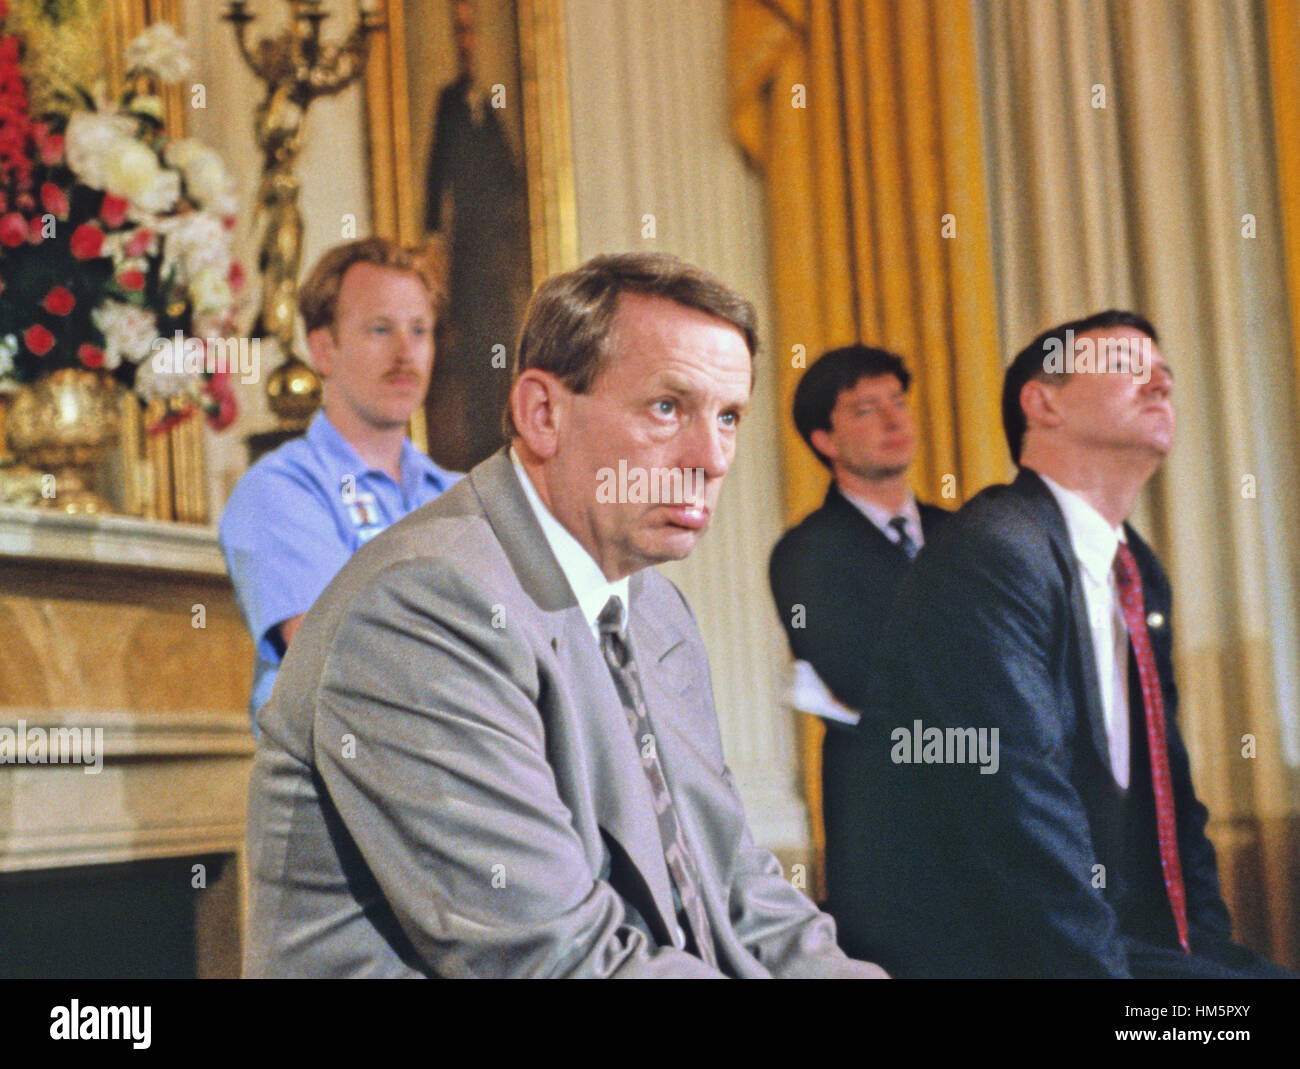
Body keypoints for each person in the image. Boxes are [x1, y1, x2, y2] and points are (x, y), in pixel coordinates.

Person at [243, 252, 888, 978]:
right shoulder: (424, 603)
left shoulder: (657, 608)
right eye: (667, 407)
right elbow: (555, 956)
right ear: (543, 414)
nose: (710, 458)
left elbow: (737, 885)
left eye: (729, 416)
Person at [855, 310, 1289, 977]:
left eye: (1165, 373)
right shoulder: (992, 551)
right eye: (1127, 366)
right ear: (1043, 403)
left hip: (1122, 942)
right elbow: (1016, 813)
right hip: (1003, 955)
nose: (1160, 383)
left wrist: (1211, 959)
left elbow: (1172, 801)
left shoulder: (1138, 569)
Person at [219, 238, 459, 730]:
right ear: (324, 349)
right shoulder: (278, 490)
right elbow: (343, 658)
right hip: (339, 770)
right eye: (380, 329)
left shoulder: (459, 496)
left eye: (420, 330)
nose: (405, 352)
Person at [767, 345, 948, 954]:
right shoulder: (806, 552)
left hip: (989, 795)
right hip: (883, 810)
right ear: (825, 439)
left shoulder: (964, 534)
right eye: (866, 410)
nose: (895, 419)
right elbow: (862, 676)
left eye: (898, 402)